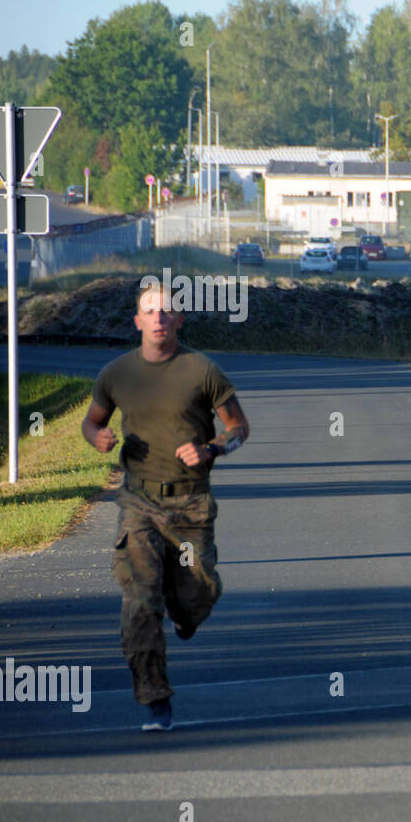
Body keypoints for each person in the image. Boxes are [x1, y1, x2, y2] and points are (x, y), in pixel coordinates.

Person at [81, 282, 251, 730]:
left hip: (190, 507)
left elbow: (238, 426)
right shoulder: (116, 374)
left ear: (179, 320)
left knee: (199, 593)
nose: (158, 318)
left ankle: (187, 613)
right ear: (137, 321)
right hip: (138, 502)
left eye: (167, 311)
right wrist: (96, 437)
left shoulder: (202, 370)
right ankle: (155, 699)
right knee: (140, 600)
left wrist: (212, 449)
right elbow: (92, 420)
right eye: (149, 311)